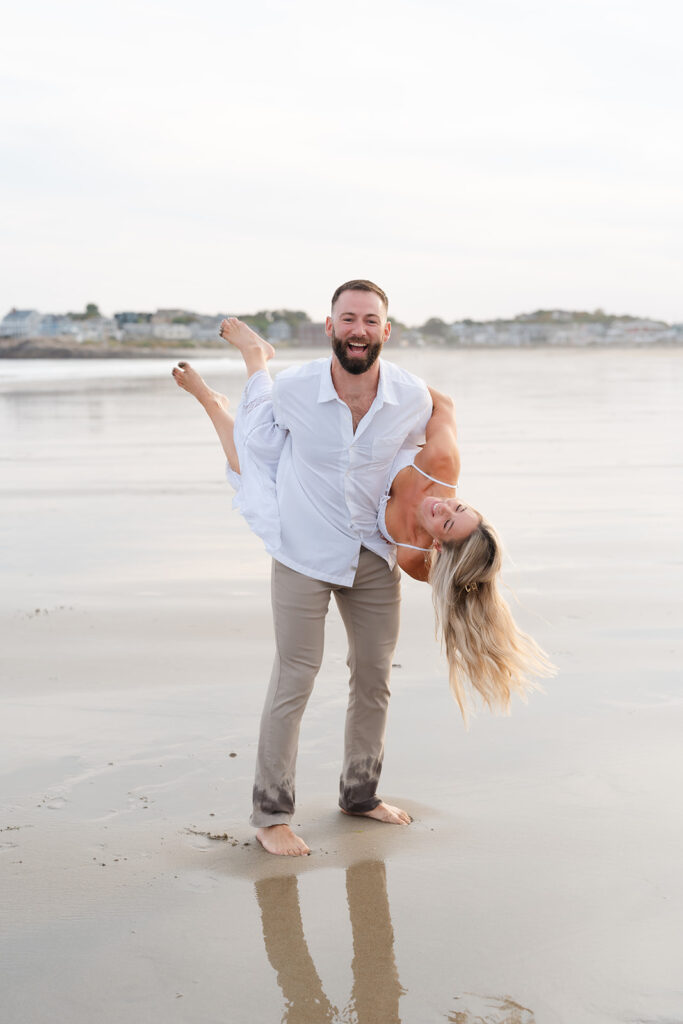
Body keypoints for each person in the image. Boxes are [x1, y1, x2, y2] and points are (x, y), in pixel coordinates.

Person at [174, 280, 433, 857]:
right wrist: (245, 384)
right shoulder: (294, 389)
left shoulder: (413, 398)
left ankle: (360, 796)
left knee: (375, 677)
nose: (358, 330)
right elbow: (257, 447)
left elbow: (423, 468)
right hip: (303, 549)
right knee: (295, 675)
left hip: (372, 553)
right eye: (348, 319)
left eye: (370, 320)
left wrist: (429, 538)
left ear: (386, 331)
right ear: (330, 326)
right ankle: (271, 814)